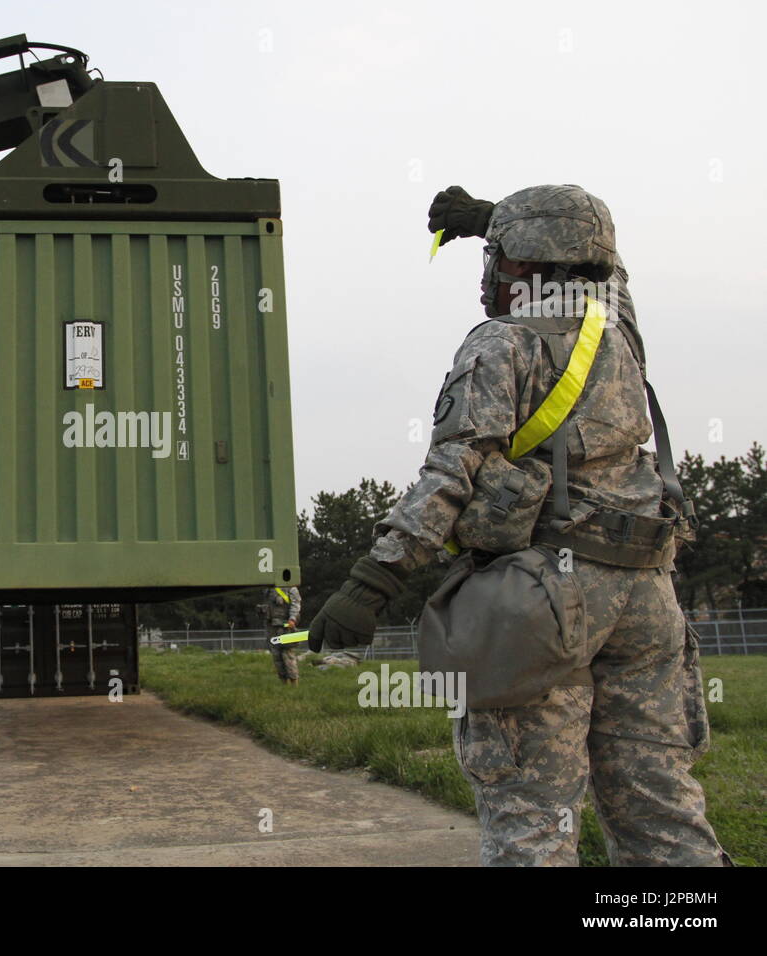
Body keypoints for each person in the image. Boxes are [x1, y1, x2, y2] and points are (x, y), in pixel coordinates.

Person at [308, 184, 729, 866]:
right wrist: (495, 221)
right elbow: (604, 265)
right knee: (660, 809)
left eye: (498, 257)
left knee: (531, 817)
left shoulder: (501, 344)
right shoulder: (620, 332)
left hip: (546, 602)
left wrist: (370, 584)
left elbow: (452, 476)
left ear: (523, 269)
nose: (490, 272)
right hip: (649, 597)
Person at [262, 585, 301, 685]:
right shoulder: (269, 588)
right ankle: (284, 682)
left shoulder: (291, 588)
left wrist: (292, 619)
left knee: (288, 655)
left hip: (286, 626)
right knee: (276, 656)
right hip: (272, 626)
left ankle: (294, 682)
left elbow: (295, 605)